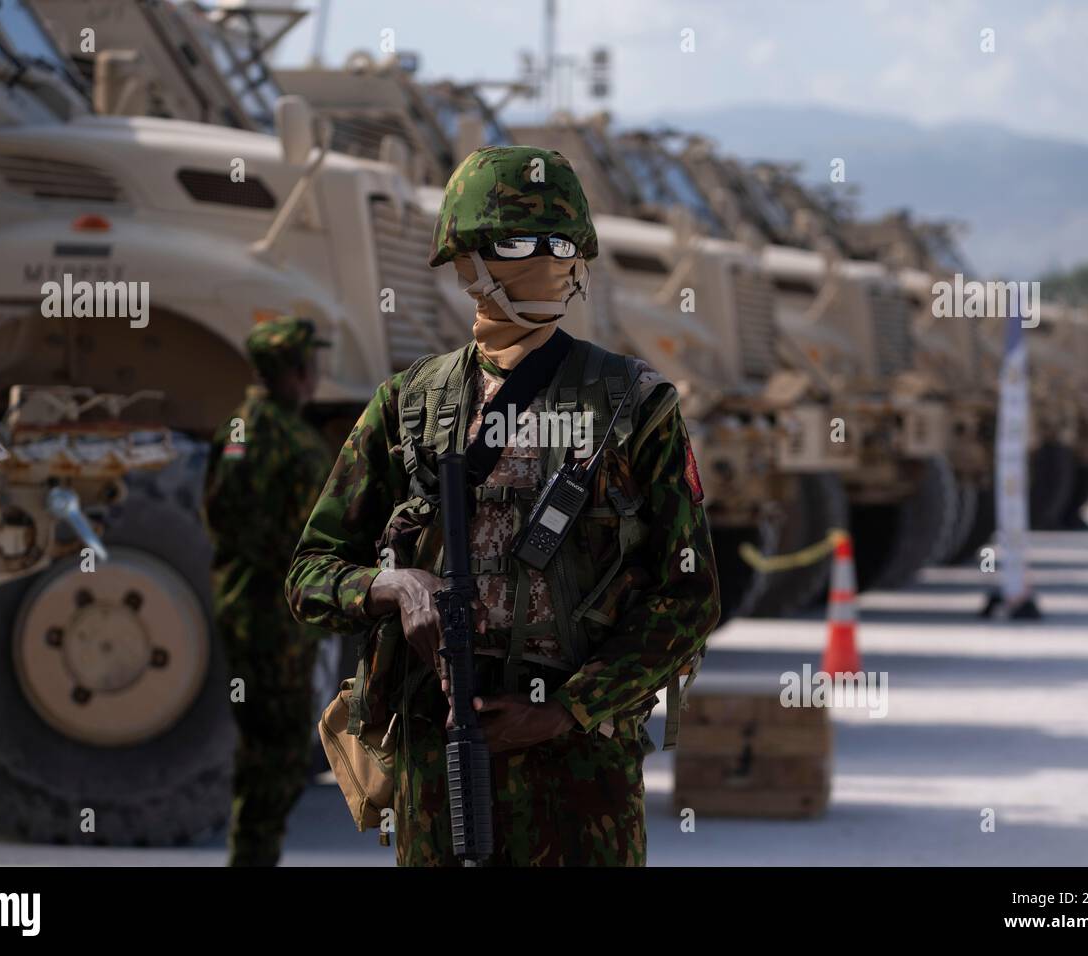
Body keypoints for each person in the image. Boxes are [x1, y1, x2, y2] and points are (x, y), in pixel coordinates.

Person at [286, 146, 720, 866]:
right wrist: (394, 586)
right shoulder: (410, 406)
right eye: (521, 244)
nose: (546, 262)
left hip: (583, 771)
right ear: (468, 260)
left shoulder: (635, 405)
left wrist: (567, 711)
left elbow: (690, 597)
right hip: (441, 749)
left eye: (561, 245)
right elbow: (309, 574)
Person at [203, 315, 335, 866]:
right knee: (278, 750)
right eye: (310, 364)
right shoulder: (289, 440)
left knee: (263, 743)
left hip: (248, 604)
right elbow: (304, 536)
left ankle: (252, 853)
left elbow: (219, 513)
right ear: (296, 371)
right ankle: (253, 856)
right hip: (275, 615)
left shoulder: (237, 427)